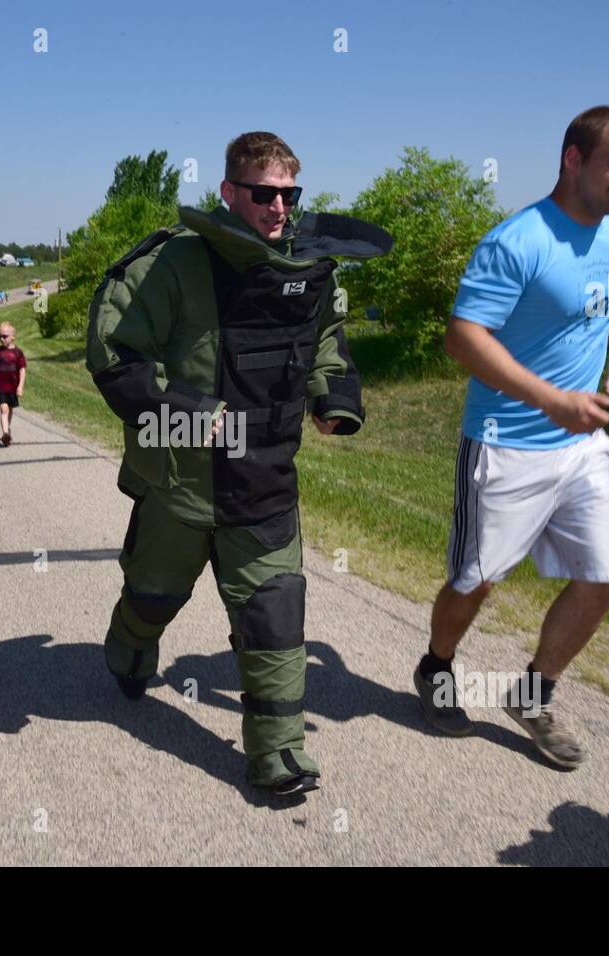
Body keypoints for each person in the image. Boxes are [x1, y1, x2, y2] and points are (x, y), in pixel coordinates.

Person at [85, 131, 392, 796]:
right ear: (229, 192)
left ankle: (277, 752)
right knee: (153, 594)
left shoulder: (309, 271)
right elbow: (114, 352)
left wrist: (332, 398)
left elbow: (326, 343)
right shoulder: (175, 264)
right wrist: (188, 410)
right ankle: (130, 651)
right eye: (264, 193)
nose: (279, 207)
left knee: (274, 612)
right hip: (182, 481)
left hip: (265, 480)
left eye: (289, 194)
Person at [413, 106, 609, 770]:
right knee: (477, 579)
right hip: (505, 443)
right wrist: (552, 400)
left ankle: (533, 692)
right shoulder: (517, 241)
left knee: (602, 580)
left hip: (582, 447)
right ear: (573, 158)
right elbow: (463, 338)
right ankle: (436, 668)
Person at [0, 322, 25, 445]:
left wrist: (20, 386)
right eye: (0, 337)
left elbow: (22, 370)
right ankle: (5, 434)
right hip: (0, 386)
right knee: (4, 409)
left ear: (13, 336)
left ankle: (7, 429)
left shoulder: (18, 353)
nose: (2, 339)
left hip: (13, 386)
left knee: (10, 409)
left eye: (5, 336)